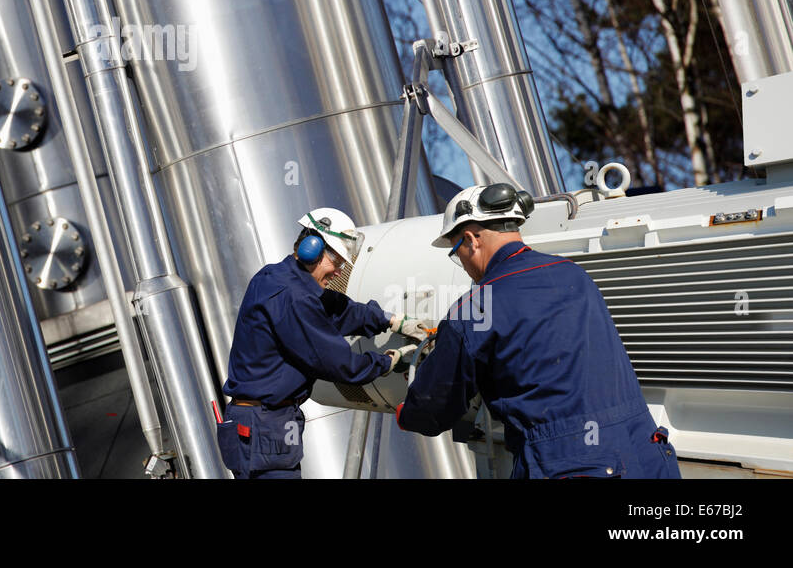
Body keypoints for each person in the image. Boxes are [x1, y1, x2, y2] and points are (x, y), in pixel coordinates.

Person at [396, 182, 682, 479]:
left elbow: (434, 409)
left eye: (456, 252)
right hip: (648, 454)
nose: (464, 265)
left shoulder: (477, 307)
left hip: (570, 465)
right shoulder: (575, 274)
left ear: (471, 239)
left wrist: (406, 413)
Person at [219, 207, 429, 479]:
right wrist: (390, 361)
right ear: (312, 248)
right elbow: (341, 365)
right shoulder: (294, 297)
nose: (338, 271)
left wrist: (390, 320)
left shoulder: (276, 278)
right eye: (337, 262)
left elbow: (338, 309)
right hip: (265, 427)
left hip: (260, 425)